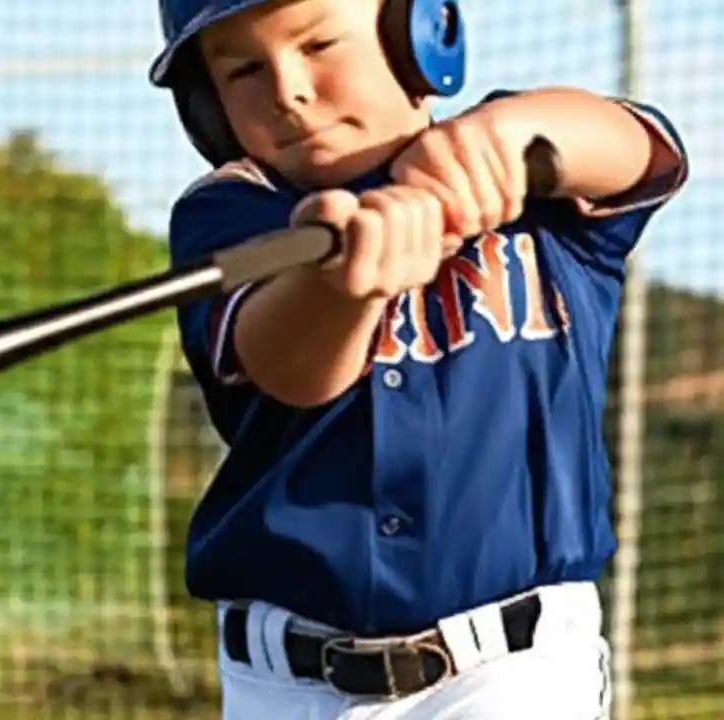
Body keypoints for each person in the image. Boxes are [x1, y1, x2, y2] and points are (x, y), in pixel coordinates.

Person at [147, 0, 688, 717]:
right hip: (288, 687)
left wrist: (510, 131)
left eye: (318, 43)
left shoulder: (529, 184)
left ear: (419, 32)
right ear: (207, 108)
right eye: (244, 70)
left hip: (509, 677)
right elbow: (291, 367)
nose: (289, 91)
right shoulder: (232, 214)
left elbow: (639, 148)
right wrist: (336, 282)